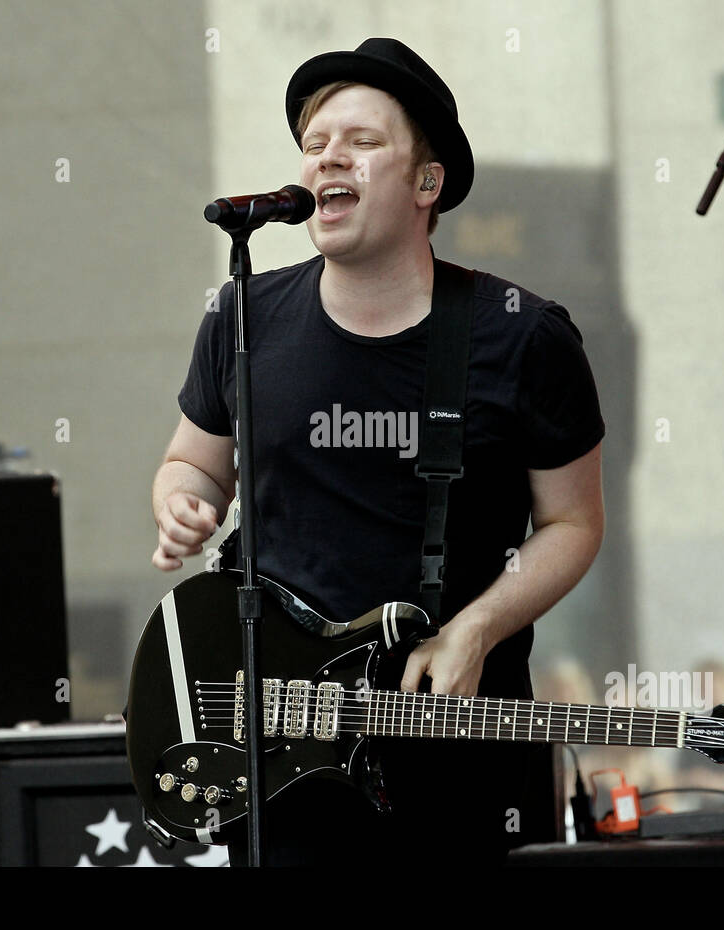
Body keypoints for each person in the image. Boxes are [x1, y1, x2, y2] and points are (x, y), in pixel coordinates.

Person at [151, 38, 605, 865]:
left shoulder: (520, 335)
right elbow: (193, 462)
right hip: (287, 756)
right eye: (317, 143)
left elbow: (572, 523)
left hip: (461, 744)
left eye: (362, 142)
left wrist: (476, 629)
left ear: (426, 184)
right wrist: (184, 502)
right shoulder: (241, 317)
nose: (330, 157)